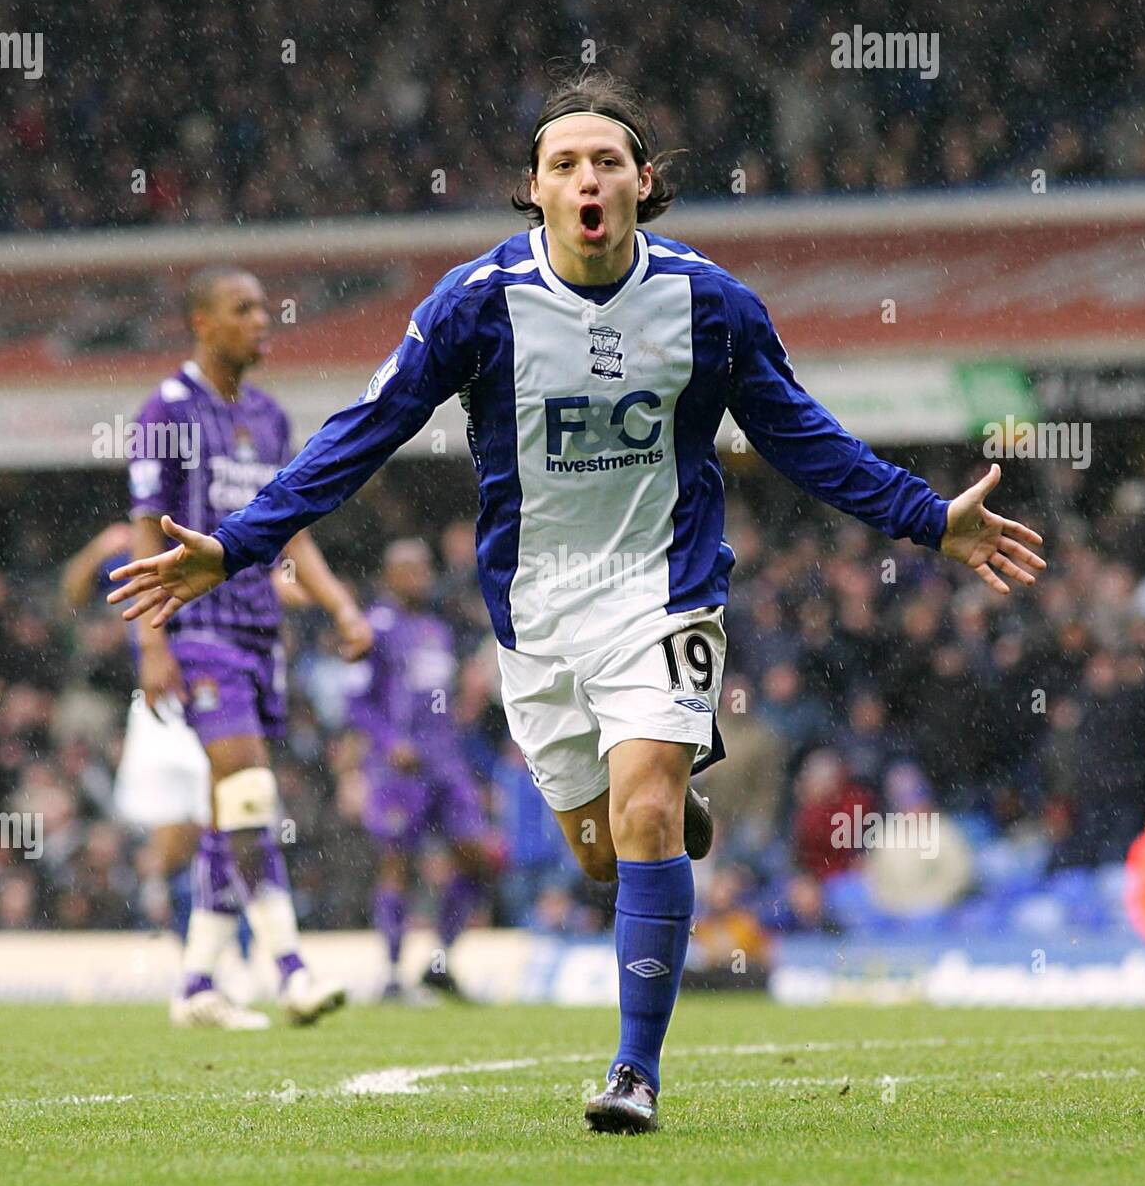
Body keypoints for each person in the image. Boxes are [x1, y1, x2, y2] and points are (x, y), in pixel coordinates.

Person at [109, 70, 1045, 1131]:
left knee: (641, 809)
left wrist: (927, 518)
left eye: (606, 159)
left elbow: (801, 437)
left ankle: (634, 1071)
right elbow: (358, 434)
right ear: (534, 190)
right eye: (564, 163)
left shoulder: (709, 304)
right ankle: (657, 790)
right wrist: (235, 546)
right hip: (534, 611)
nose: (586, 177)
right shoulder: (473, 304)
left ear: (644, 182)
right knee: (599, 848)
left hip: (664, 591)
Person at [121, 266, 372, 1028]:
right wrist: (151, 644)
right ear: (202, 322)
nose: (264, 319)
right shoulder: (165, 410)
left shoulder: (269, 417)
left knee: (229, 806)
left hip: (263, 634)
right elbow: (144, 526)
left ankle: (197, 985)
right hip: (196, 631)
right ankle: (289, 969)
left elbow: (290, 528)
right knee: (249, 790)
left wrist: (337, 604)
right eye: (244, 309)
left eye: (265, 306)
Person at [345, 538, 492, 999]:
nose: (422, 577)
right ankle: (390, 975)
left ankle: (440, 961)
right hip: (399, 771)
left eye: (425, 568)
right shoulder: (374, 628)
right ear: (389, 576)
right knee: (397, 864)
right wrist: (391, 743)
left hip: (445, 762)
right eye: (410, 570)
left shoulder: (435, 629)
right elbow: (354, 702)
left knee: (476, 855)